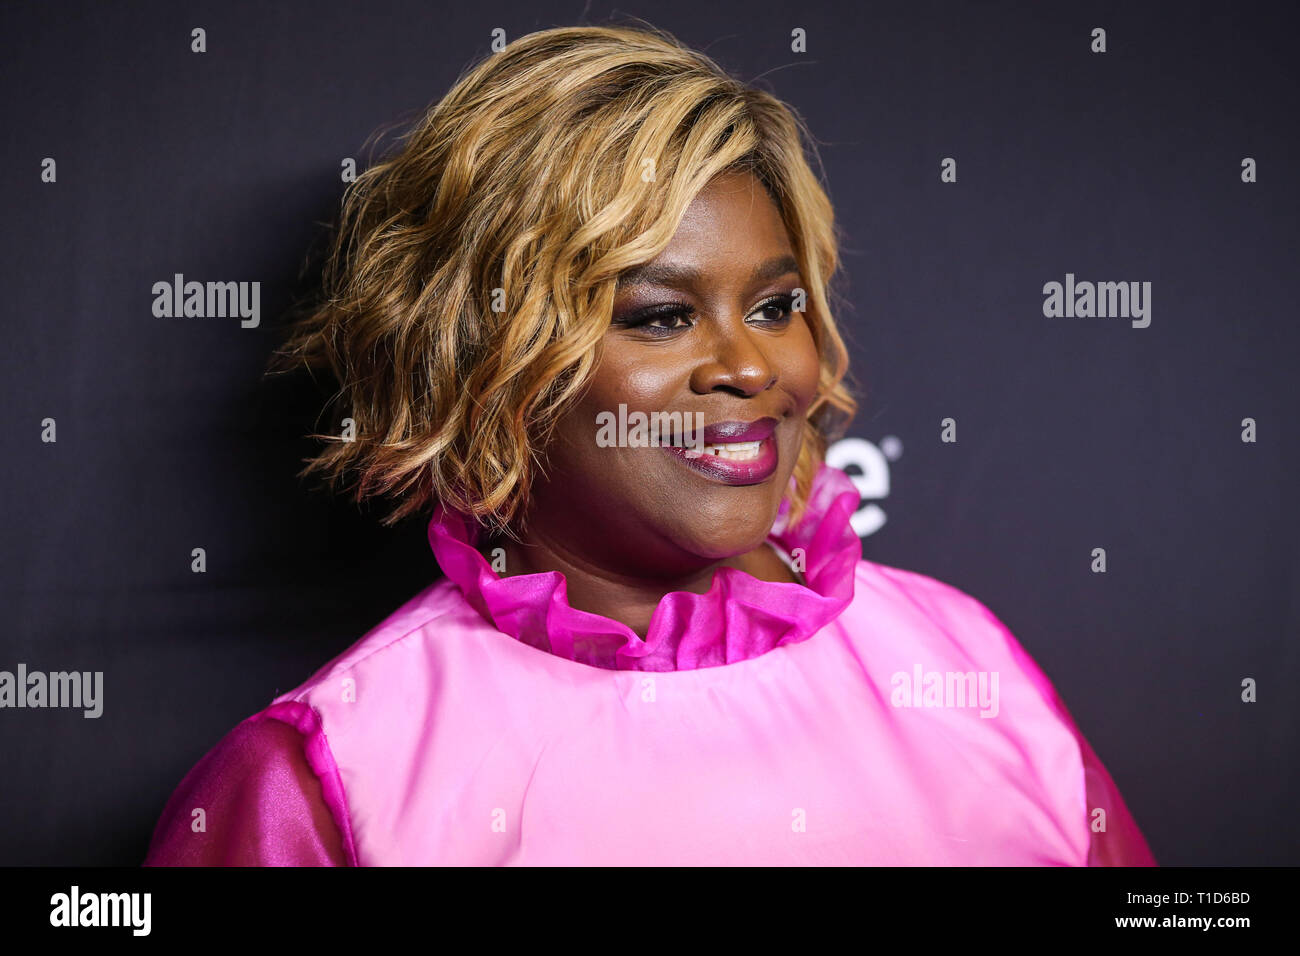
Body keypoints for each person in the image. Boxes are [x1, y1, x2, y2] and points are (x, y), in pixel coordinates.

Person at [143, 23, 1155, 866]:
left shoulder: (967, 660)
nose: (750, 367)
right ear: (484, 359)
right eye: (662, 316)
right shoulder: (318, 783)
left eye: (774, 304)